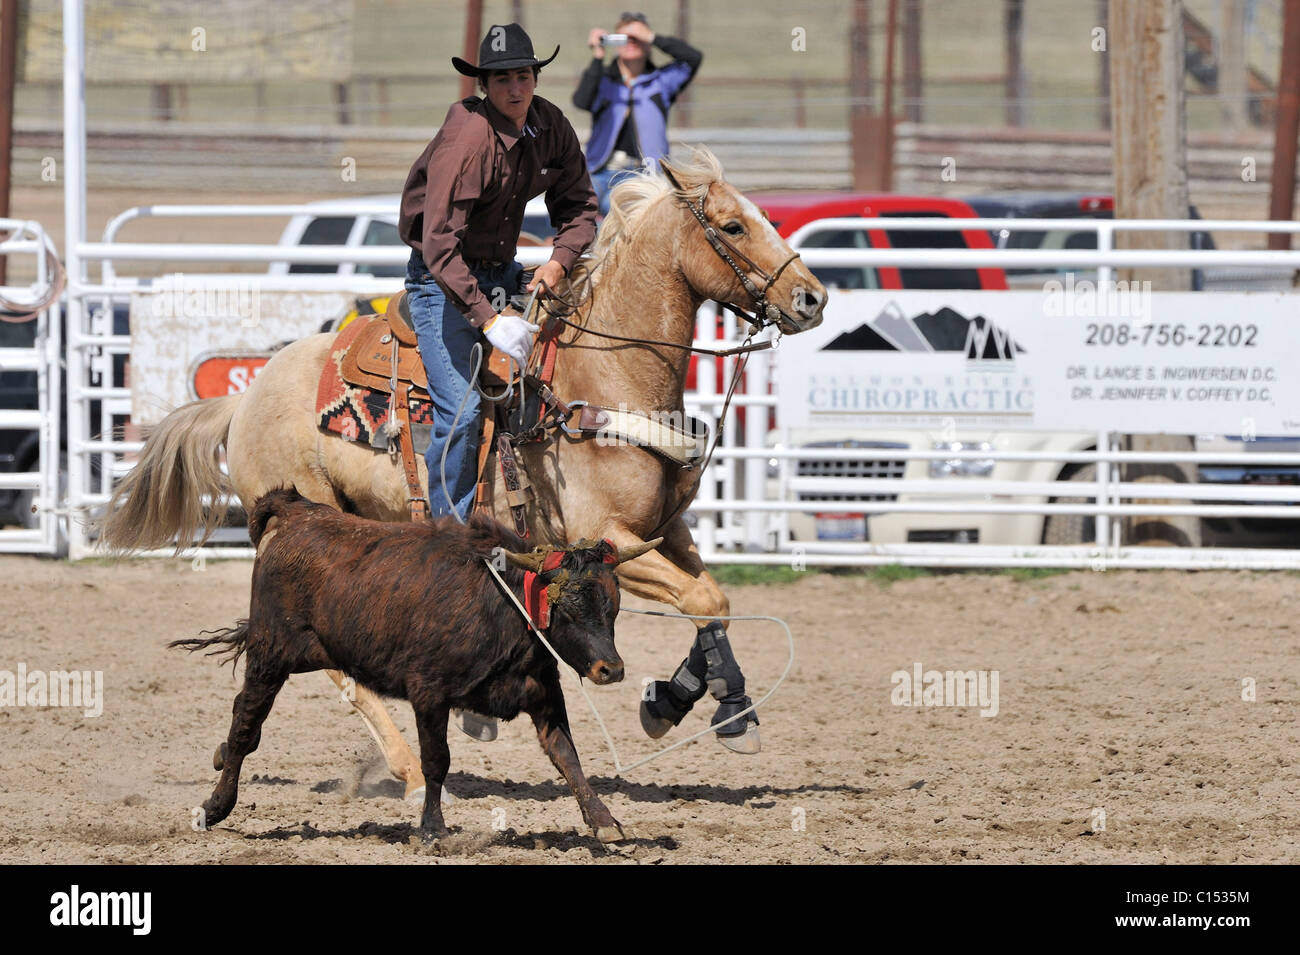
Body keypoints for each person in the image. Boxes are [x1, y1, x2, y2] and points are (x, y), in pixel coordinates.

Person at [398, 23, 598, 522]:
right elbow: (439, 243)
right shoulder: (467, 141)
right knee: (462, 413)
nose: (516, 88)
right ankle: (448, 538)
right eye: (503, 78)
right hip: (441, 282)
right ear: (484, 85)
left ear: (535, 77)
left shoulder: (551, 127)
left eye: (524, 76)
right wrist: (489, 319)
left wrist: (558, 260)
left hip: (501, 271)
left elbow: (580, 207)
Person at [572, 11, 703, 215]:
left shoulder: (661, 82)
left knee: (615, 209)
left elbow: (693, 58)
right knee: (571, 208)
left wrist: (652, 37)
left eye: (637, 38)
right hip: (598, 169)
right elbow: (582, 100)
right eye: (625, 38)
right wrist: (598, 56)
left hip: (642, 171)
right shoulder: (603, 80)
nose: (631, 43)